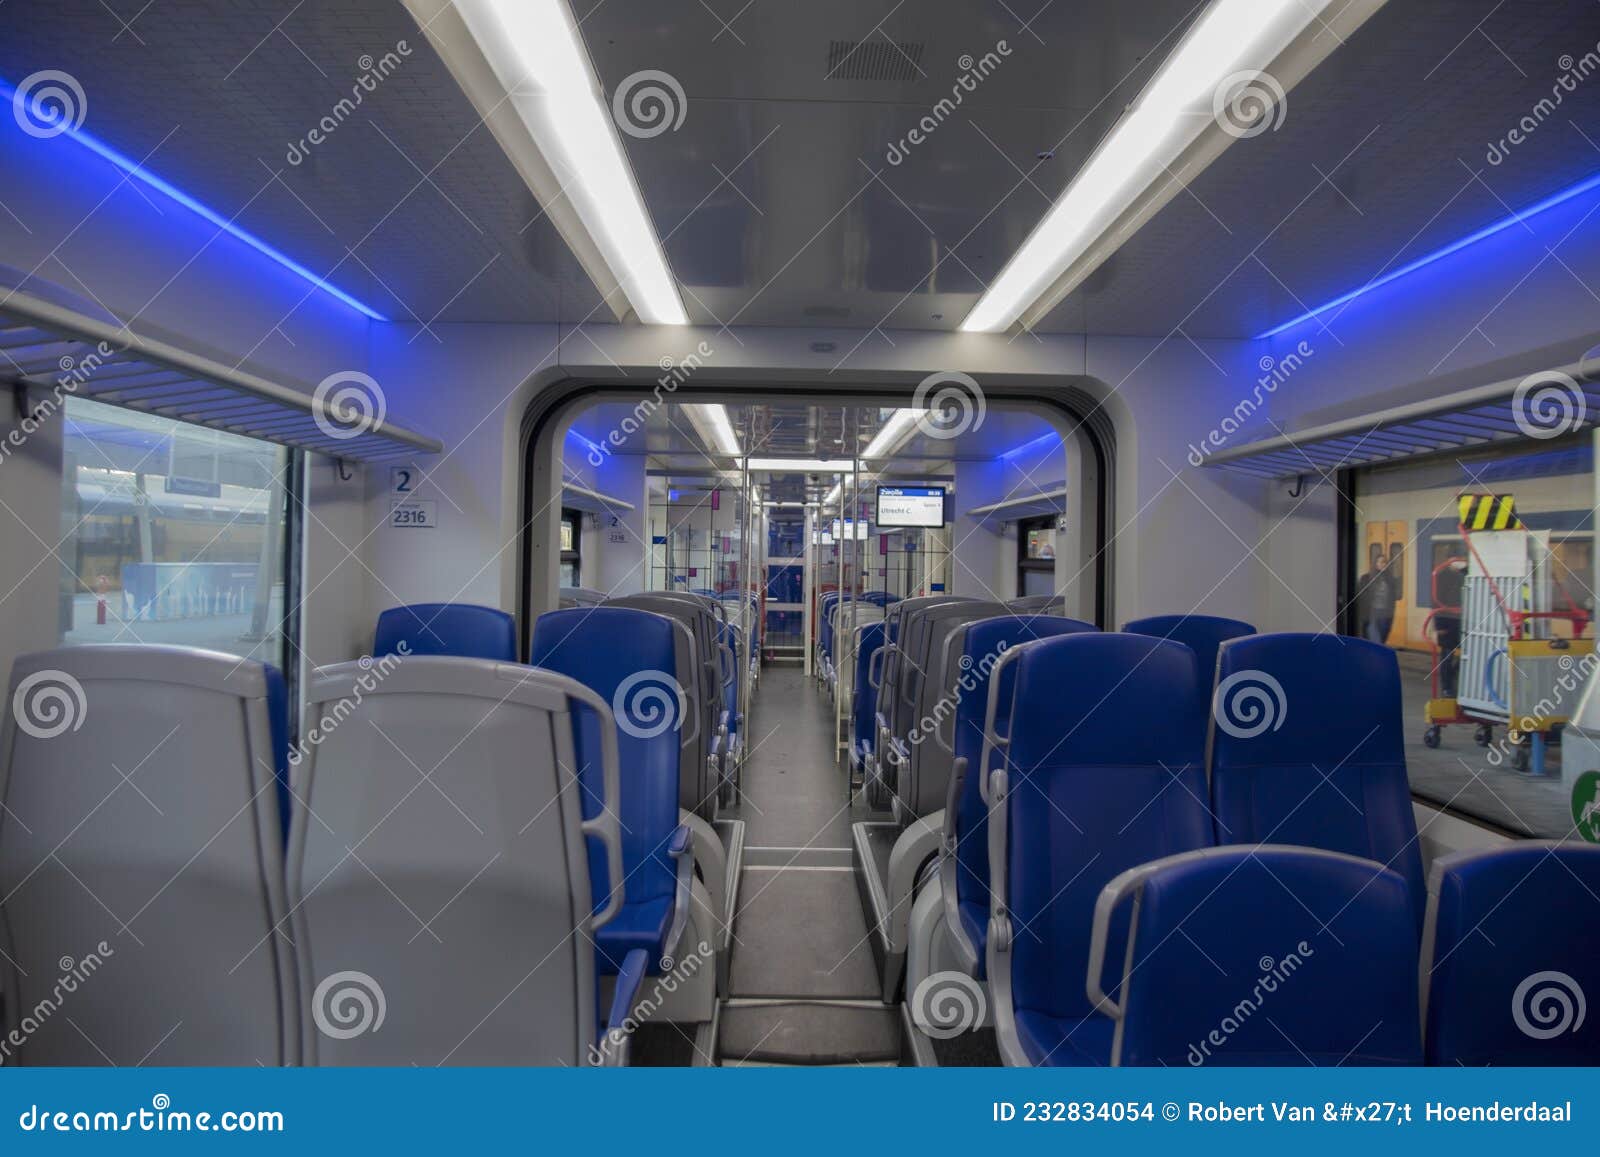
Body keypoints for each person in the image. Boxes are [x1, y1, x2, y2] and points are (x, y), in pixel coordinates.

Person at [1433, 558, 1466, 698]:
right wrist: (1438, 625)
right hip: (1447, 620)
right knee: (1447, 655)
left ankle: (1452, 679)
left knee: (1466, 653)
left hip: (1462, 620)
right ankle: (1447, 687)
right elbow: (1436, 600)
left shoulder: (1465, 574)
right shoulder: (1441, 576)